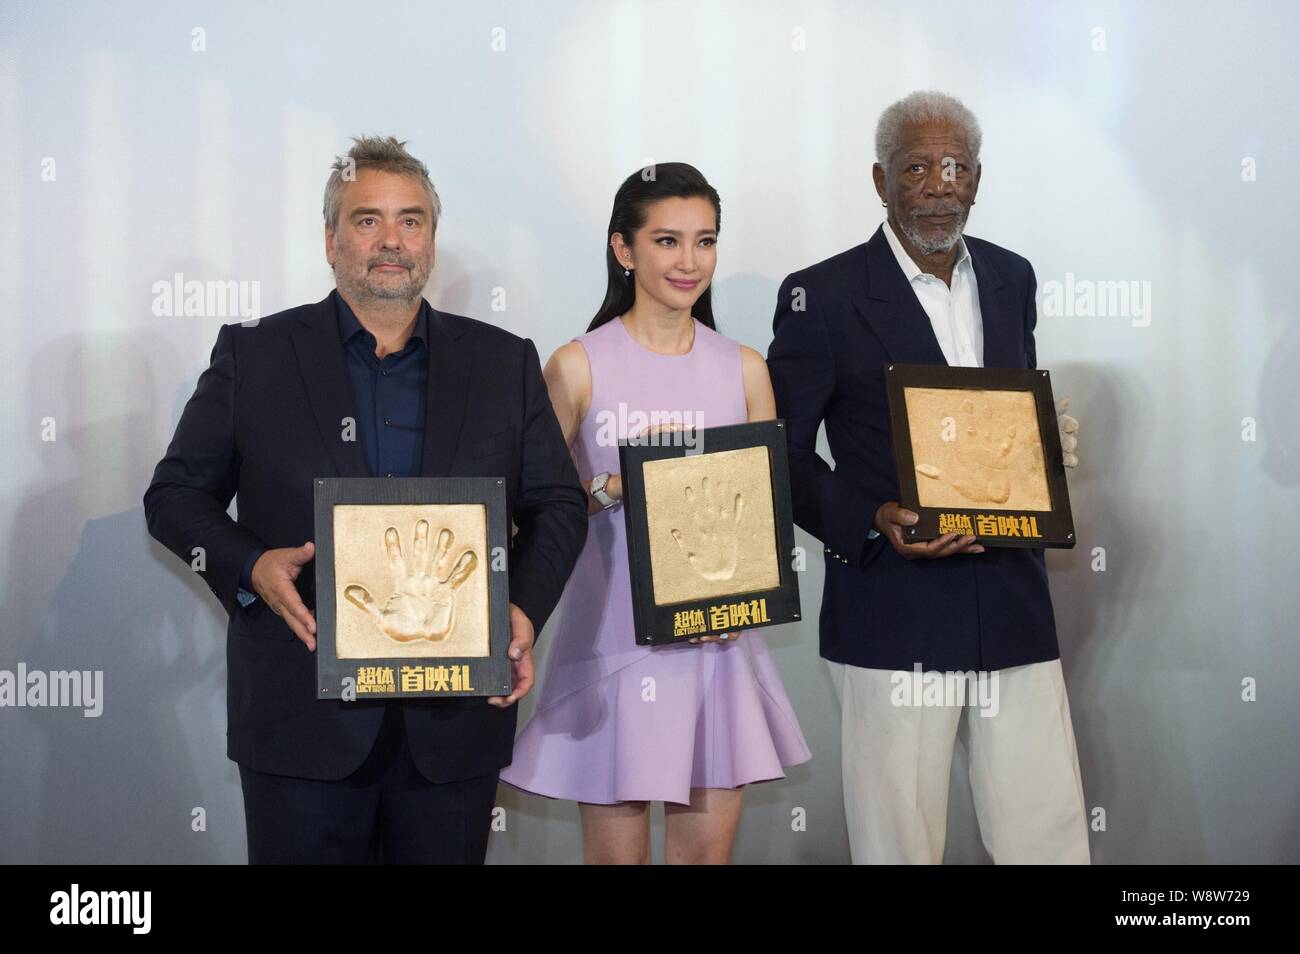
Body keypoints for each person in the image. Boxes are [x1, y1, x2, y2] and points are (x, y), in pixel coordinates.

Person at [143, 135, 588, 864]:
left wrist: (523, 610)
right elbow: (174, 497)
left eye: (411, 221)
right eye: (367, 219)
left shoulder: (503, 362)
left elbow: (560, 505)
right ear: (330, 239)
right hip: (300, 724)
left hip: (454, 725)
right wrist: (251, 565)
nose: (391, 240)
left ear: (432, 242)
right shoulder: (254, 355)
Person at [766, 91, 1089, 864]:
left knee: (1045, 830)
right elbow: (781, 452)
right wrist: (872, 516)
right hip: (891, 602)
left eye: (954, 167)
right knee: (897, 841)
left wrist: (1040, 451)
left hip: (1012, 594)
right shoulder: (823, 295)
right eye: (917, 167)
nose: (939, 184)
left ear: (977, 178)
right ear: (881, 182)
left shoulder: (1013, 278)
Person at [499, 163, 811, 863]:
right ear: (624, 249)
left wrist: (737, 602)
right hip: (613, 644)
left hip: (719, 647)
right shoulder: (578, 365)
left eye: (705, 241)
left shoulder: (745, 368)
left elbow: (765, 513)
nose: (688, 261)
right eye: (667, 241)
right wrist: (611, 488)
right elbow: (537, 507)